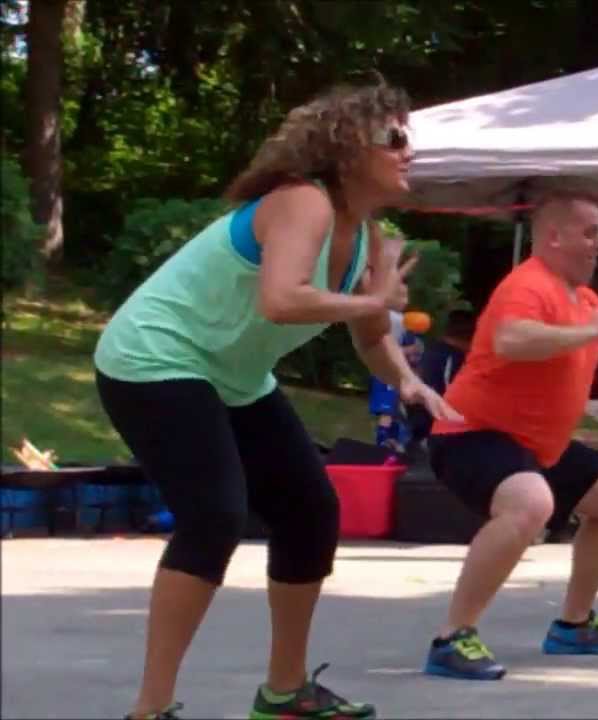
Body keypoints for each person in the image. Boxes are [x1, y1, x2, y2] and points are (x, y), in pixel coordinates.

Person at [93, 79, 460, 720]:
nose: (409, 151)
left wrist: (405, 377)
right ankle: (150, 710)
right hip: (154, 358)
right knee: (214, 517)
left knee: (310, 511)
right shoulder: (303, 202)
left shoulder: (368, 234)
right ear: (348, 147)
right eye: (395, 138)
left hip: (232, 378)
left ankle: (285, 692)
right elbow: (282, 298)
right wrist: (375, 301)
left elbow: (371, 334)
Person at [424, 194, 598, 681]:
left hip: (537, 443)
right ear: (553, 237)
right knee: (530, 503)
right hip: (470, 435)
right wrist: (591, 330)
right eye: (590, 233)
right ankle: (452, 637)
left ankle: (574, 624)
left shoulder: (582, 300)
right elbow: (511, 340)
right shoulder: (528, 285)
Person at [406, 309, 476, 444]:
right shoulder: (452, 358)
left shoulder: (431, 350)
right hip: (435, 427)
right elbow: (451, 394)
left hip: (418, 423)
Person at [370, 310, 427, 451]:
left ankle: (395, 442)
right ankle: (382, 441)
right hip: (387, 374)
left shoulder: (416, 340)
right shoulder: (395, 332)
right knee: (387, 410)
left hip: (401, 378)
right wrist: (409, 351)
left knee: (399, 411)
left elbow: (415, 361)